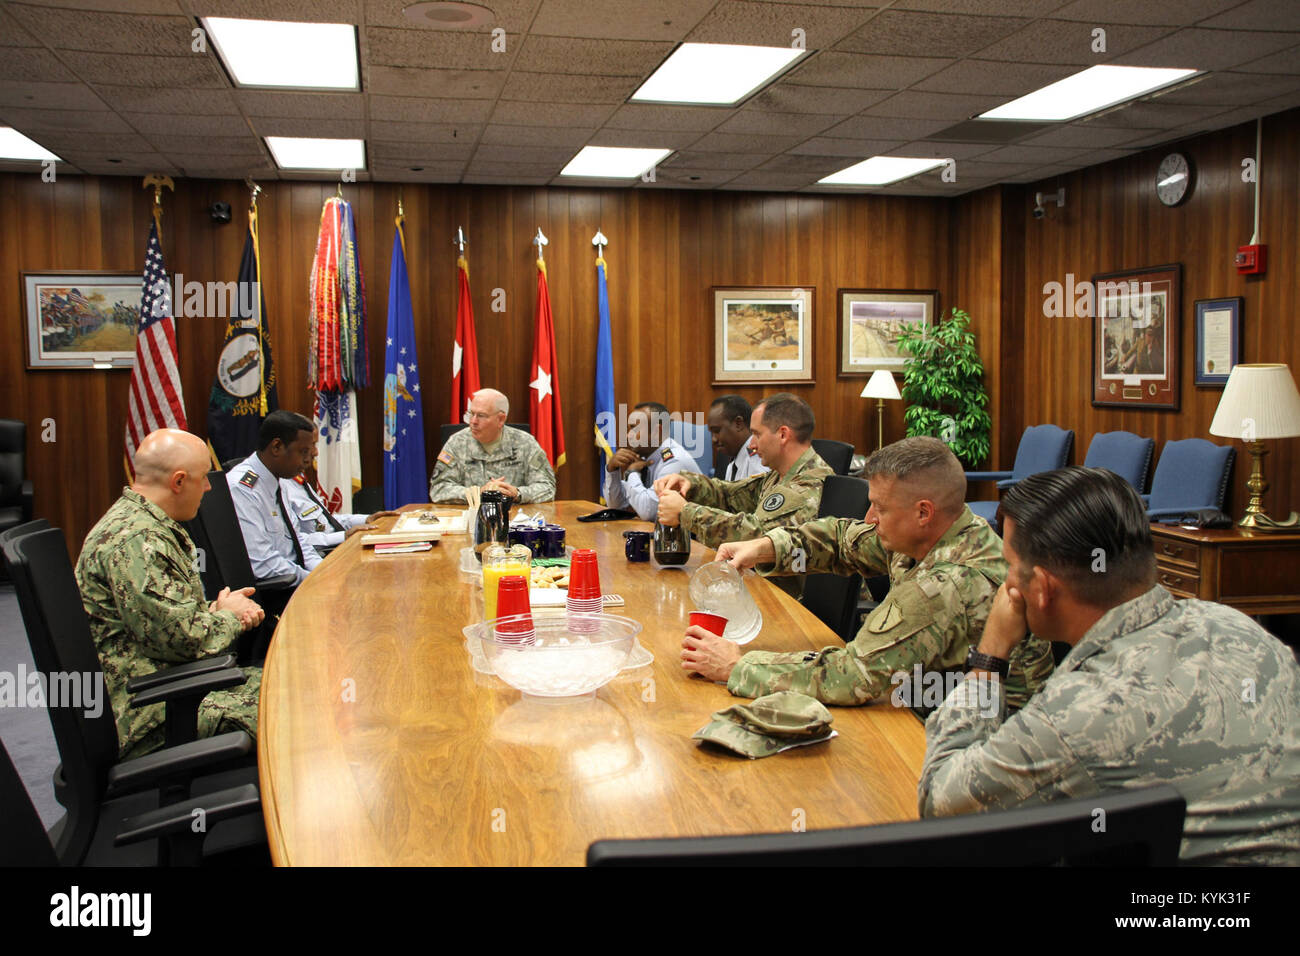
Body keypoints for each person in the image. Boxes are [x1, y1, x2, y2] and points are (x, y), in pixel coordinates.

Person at [918, 467, 1300, 864]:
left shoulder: (1080, 712)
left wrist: (989, 658)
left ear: (1043, 589)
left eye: (1011, 564)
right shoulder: (1238, 627)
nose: (1007, 582)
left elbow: (941, 806)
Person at [681, 436, 1054, 710]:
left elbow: (852, 676)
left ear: (923, 512)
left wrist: (736, 665)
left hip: (982, 738)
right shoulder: (939, 531)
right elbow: (843, 539)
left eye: (880, 508)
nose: (869, 518)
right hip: (928, 698)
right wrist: (766, 546)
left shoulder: (947, 583)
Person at [76, 429, 264, 759]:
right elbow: (184, 641)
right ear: (178, 482)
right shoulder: (137, 541)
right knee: (289, 708)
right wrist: (229, 616)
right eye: (204, 478)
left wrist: (216, 609)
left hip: (166, 687)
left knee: (285, 684)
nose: (208, 488)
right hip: (151, 712)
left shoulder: (140, 523)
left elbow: (161, 618)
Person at [656, 393, 831, 597]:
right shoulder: (779, 475)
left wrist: (686, 513)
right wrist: (691, 484)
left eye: (757, 434)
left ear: (783, 435)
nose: (751, 444)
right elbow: (731, 494)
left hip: (799, 608)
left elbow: (758, 538)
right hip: (773, 590)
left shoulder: (808, 484)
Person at [228, 410, 322, 587]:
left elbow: (298, 541)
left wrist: (325, 571)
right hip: (277, 593)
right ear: (277, 447)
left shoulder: (278, 479)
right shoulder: (243, 488)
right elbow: (263, 563)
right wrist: (315, 581)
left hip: (298, 580)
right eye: (303, 451)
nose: (309, 460)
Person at [428, 388, 555, 504]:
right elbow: (438, 489)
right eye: (471, 414)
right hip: (470, 520)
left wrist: (518, 493)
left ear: (501, 419)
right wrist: (478, 493)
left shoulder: (525, 443)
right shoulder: (457, 443)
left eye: (481, 416)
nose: (473, 421)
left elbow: (547, 487)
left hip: (516, 520)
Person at [283, 428, 398, 551]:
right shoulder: (282, 487)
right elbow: (294, 542)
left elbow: (326, 521)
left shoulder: (297, 480)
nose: (316, 452)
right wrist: (342, 536)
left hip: (333, 549)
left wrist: (366, 519)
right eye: (311, 446)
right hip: (322, 554)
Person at [603, 401, 692, 521]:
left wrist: (631, 473)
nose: (628, 435)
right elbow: (616, 506)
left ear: (657, 431)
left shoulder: (674, 461)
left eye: (635, 428)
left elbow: (648, 512)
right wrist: (612, 471)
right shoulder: (645, 457)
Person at [707, 394, 767, 481]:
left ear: (738, 424)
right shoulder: (733, 463)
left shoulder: (757, 462)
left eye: (717, 431)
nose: (714, 439)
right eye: (711, 433)